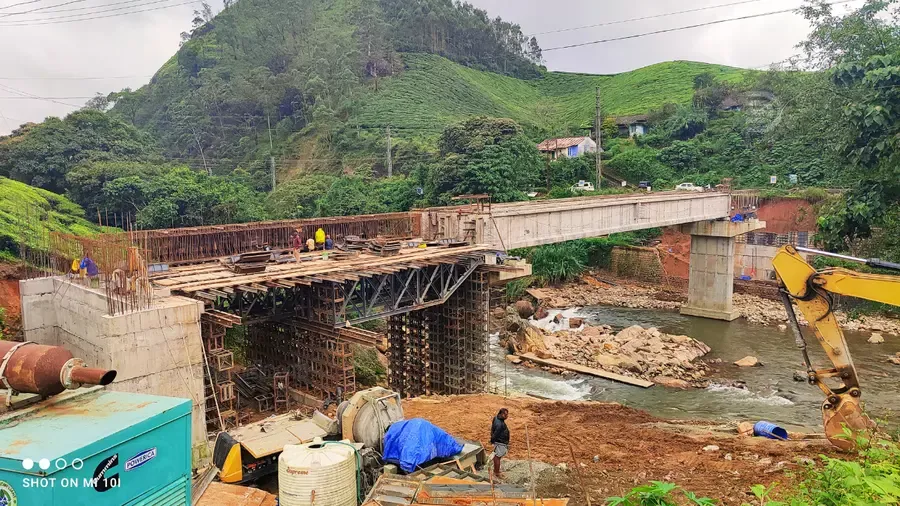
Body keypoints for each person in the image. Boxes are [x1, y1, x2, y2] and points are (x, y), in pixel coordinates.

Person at [490, 408, 510, 479]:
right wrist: (493, 440)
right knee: (497, 457)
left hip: (499, 441)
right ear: (501, 414)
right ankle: (496, 473)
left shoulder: (496, 418)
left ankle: (496, 471)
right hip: (500, 442)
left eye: (507, 414)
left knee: (497, 456)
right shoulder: (499, 424)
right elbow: (495, 434)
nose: (507, 416)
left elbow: (492, 429)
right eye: (505, 414)